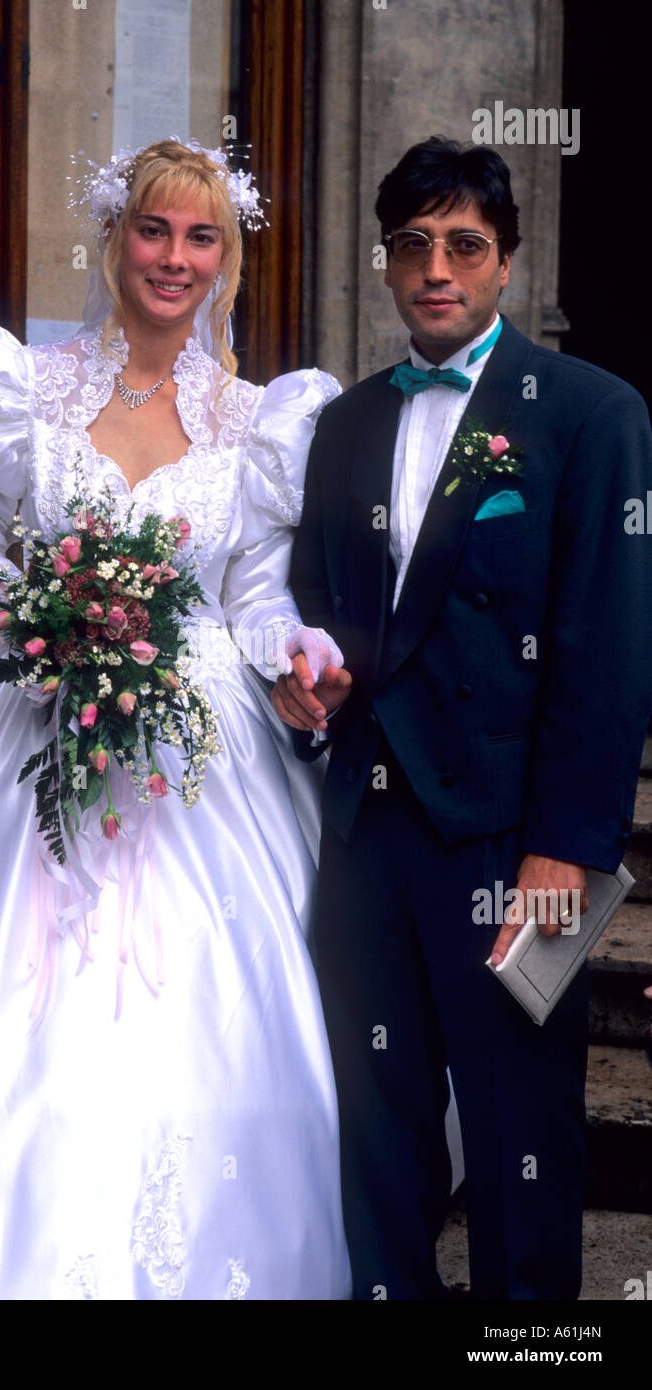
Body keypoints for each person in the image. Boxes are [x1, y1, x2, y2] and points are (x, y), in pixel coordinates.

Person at [0, 139, 352, 1300]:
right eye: (153, 230)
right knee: (5, 1018)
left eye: (199, 236)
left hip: (203, 752)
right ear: (113, 239)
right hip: (36, 722)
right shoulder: (19, 387)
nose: (173, 257)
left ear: (226, 257)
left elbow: (254, 598)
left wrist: (296, 648)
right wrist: (46, 610)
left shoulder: (261, 421)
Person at [273, 135, 652, 1300]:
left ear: (504, 264)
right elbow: (322, 616)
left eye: (463, 246)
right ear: (387, 264)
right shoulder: (343, 427)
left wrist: (568, 851)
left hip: (516, 836)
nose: (436, 268)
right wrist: (306, 690)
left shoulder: (591, 414)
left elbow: (606, 650)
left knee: (520, 1135)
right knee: (376, 1127)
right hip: (368, 829)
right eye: (412, 245)